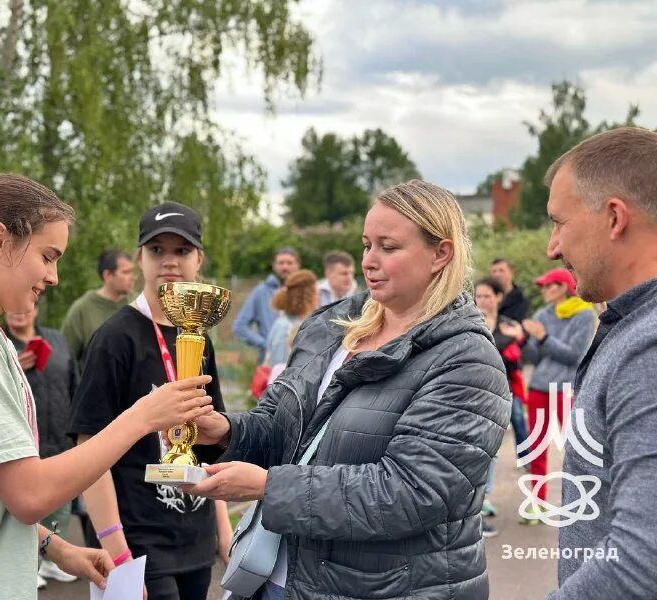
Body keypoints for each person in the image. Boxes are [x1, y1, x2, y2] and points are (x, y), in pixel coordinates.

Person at [0, 174, 213, 600]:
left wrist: (53, 546)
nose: (54, 276)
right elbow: (30, 493)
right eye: (47, 255)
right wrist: (141, 418)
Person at [188, 179, 511, 600]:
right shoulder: (332, 325)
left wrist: (270, 487)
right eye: (365, 245)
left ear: (440, 253)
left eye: (388, 247)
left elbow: (411, 493)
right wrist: (225, 432)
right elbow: (281, 427)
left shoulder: (466, 360)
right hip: (282, 580)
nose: (369, 262)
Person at [68, 201, 232, 600]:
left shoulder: (200, 335)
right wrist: (118, 552)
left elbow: (211, 443)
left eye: (182, 250)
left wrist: (223, 531)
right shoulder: (115, 337)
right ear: (139, 258)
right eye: (157, 250)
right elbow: (87, 447)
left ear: (199, 259)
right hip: (137, 543)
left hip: (195, 537)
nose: (169, 262)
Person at [541, 128, 657, 599]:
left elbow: (640, 563)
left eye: (558, 222)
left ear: (614, 217)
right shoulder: (632, 329)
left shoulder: (647, 347)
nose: (552, 247)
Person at [506, 267, 595, 524]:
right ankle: (537, 503)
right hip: (538, 388)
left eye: (549, 286)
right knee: (536, 448)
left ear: (564, 287)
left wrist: (543, 338)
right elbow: (532, 355)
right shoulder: (543, 314)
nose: (544, 291)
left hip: (565, 388)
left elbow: (574, 355)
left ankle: (581, 500)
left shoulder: (584, 315)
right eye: (543, 286)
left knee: (576, 446)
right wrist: (523, 340)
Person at [5, 303, 79, 589]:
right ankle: (29, 564)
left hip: (61, 437)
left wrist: (77, 430)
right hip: (26, 443)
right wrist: (14, 370)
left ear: (35, 310)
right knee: (30, 508)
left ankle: (50, 560)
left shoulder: (56, 340)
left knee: (61, 505)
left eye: (26, 308)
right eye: (13, 310)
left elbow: (75, 381)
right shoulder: (2, 345)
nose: (20, 312)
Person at [474, 277, 530, 537]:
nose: (482, 301)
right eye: (479, 296)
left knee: (493, 451)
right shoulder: (468, 323)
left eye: (487, 296)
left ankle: (482, 498)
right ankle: (471, 506)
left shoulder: (510, 327)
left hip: (501, 394)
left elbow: (517, 362)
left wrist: (516, 340)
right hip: (471, 395)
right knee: (471, 448)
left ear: (498, 297)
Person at [61, 249, 135, 372]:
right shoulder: (83, 308)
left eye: (132, 272)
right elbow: (65, 356)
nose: (132, 278)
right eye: (126, 272)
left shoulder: (139, 303)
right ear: (108, 275)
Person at [232, 247, 300, 362]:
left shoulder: (307, 292)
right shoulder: (261, 292)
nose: (285, 267)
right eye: (281, 263)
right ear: (274, 265)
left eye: (289, 263)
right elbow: (240, 326)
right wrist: (266, 344)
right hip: (270, 362)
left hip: (300, 361)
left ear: (298, 265)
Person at [264, 269, 318, 380]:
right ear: (307, 296)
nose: (318, 297)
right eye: (316, 293)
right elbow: (279, 368)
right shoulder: (285, 327)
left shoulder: (299, 323)